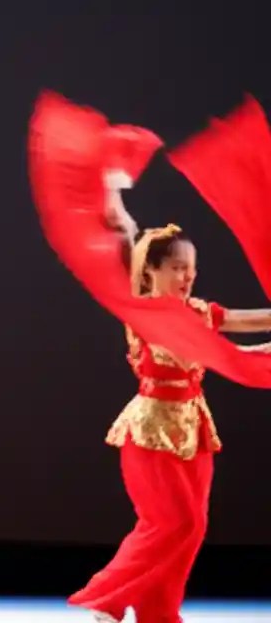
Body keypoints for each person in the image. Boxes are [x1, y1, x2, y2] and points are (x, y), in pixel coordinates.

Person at [69, 224, 271, 623]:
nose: (187, 276)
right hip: (150, 433)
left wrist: (258, 343)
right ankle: (107, 601)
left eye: (191, 269)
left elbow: (241, 320)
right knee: (173, 522)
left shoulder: (198, 312)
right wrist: (119, 217)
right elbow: (127, 254)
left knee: (193, 528)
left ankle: (156, 610)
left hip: (194, 431)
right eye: (178, 268)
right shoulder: (141, 312)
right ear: (152, 272)